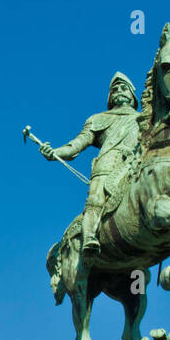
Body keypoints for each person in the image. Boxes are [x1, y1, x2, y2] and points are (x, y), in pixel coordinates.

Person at [40, 73, 140, 255]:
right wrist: (55, 152)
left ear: (133, 96)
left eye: (124, 88)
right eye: (115, 89)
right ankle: (89, 238)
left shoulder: (144, 119)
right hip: (108, 165)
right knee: (95, 200)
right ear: (110, 97)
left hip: (136, 164)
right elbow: (77, 144)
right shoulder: (97, 119)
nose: (119, 91)